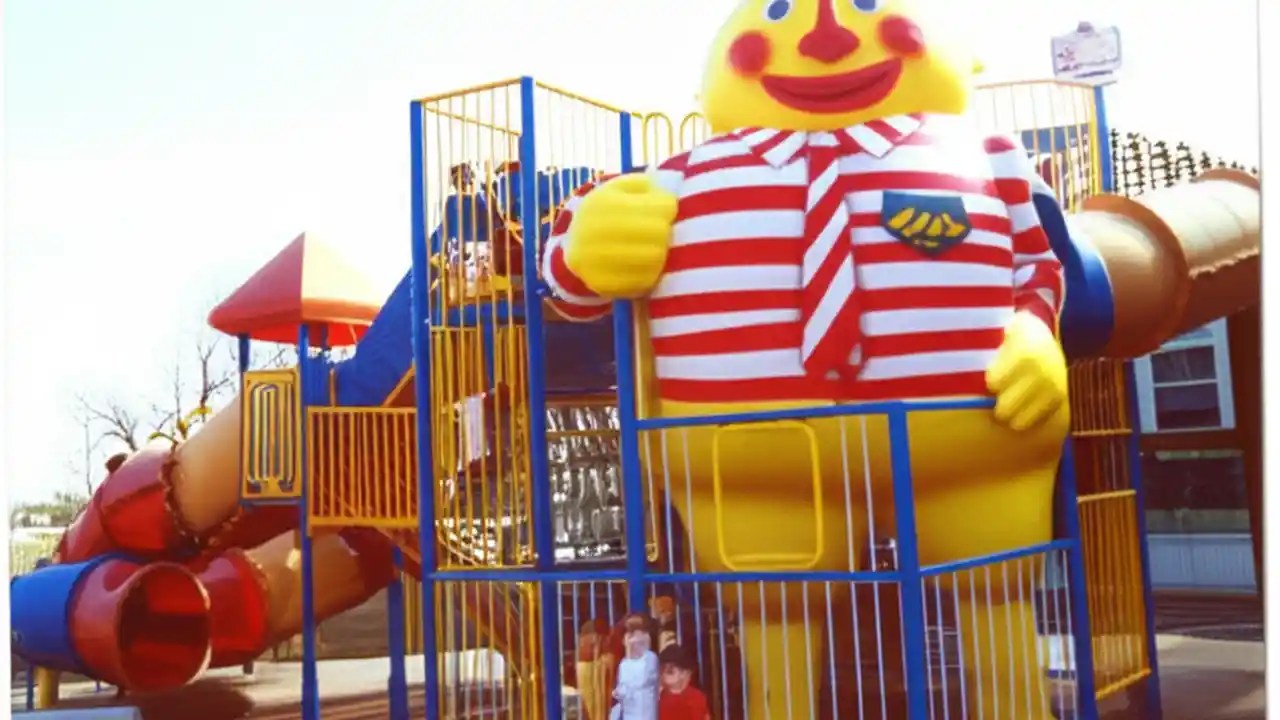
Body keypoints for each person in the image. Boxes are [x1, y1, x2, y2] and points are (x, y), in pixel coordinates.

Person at [610, 613, 659, 720]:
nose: (636, 639)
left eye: (642, 632)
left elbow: (640, 681)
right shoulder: (623, 663)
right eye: (631, 634)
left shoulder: (650, 658)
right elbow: (622, 691)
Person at [658, 644, 710, 720]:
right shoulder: (656, 697)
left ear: (686, 673)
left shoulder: (696, 698)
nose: (665, 671)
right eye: (662, 668)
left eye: (671, 669)